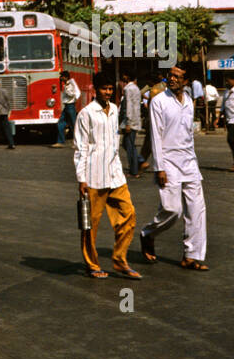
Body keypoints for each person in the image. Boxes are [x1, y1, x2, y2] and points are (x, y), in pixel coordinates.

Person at [140, 62, 208, 271]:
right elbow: (156, 136)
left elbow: (187, 135)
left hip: (189, 162)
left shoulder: (188, 101)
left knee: (197, 210)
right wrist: (159, 167)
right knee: (173, 209)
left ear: (186, 81)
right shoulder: (158, 101)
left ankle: (191, 256)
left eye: (178, 76)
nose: (173, 79)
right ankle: (148, 233)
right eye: (171, 75)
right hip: (167, 162)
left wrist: (194, 163)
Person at [73, 74, 141, 280]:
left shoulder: (114, 110)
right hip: (93, 177)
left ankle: (120, 261)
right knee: (90, 225)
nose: (108, 93)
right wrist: (81, 178)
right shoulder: (86, 114)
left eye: (111, 89)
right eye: (105, 89)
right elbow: (80, 148)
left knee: (128, 215)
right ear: (96, 89)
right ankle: (92, 264)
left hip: (115, 175)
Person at [120, 72, 142, 177]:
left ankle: (134, 170)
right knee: (127, 143)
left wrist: (128, 122)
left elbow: (128, 105)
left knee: (129, 145)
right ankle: (139, 162)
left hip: (130, 121)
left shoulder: (128, 89)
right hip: (135, 119)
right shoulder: (136, 88)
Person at [50, 70, 80, 147]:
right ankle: (60, 142)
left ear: (65, 77)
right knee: (60, 123)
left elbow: (72, 94)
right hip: (67, 106)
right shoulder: (66, 84)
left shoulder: (70, 84)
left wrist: (67, 88)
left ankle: (78, 142)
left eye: (62, 77)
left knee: (74, 125)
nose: (61, 78)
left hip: (70, 106)